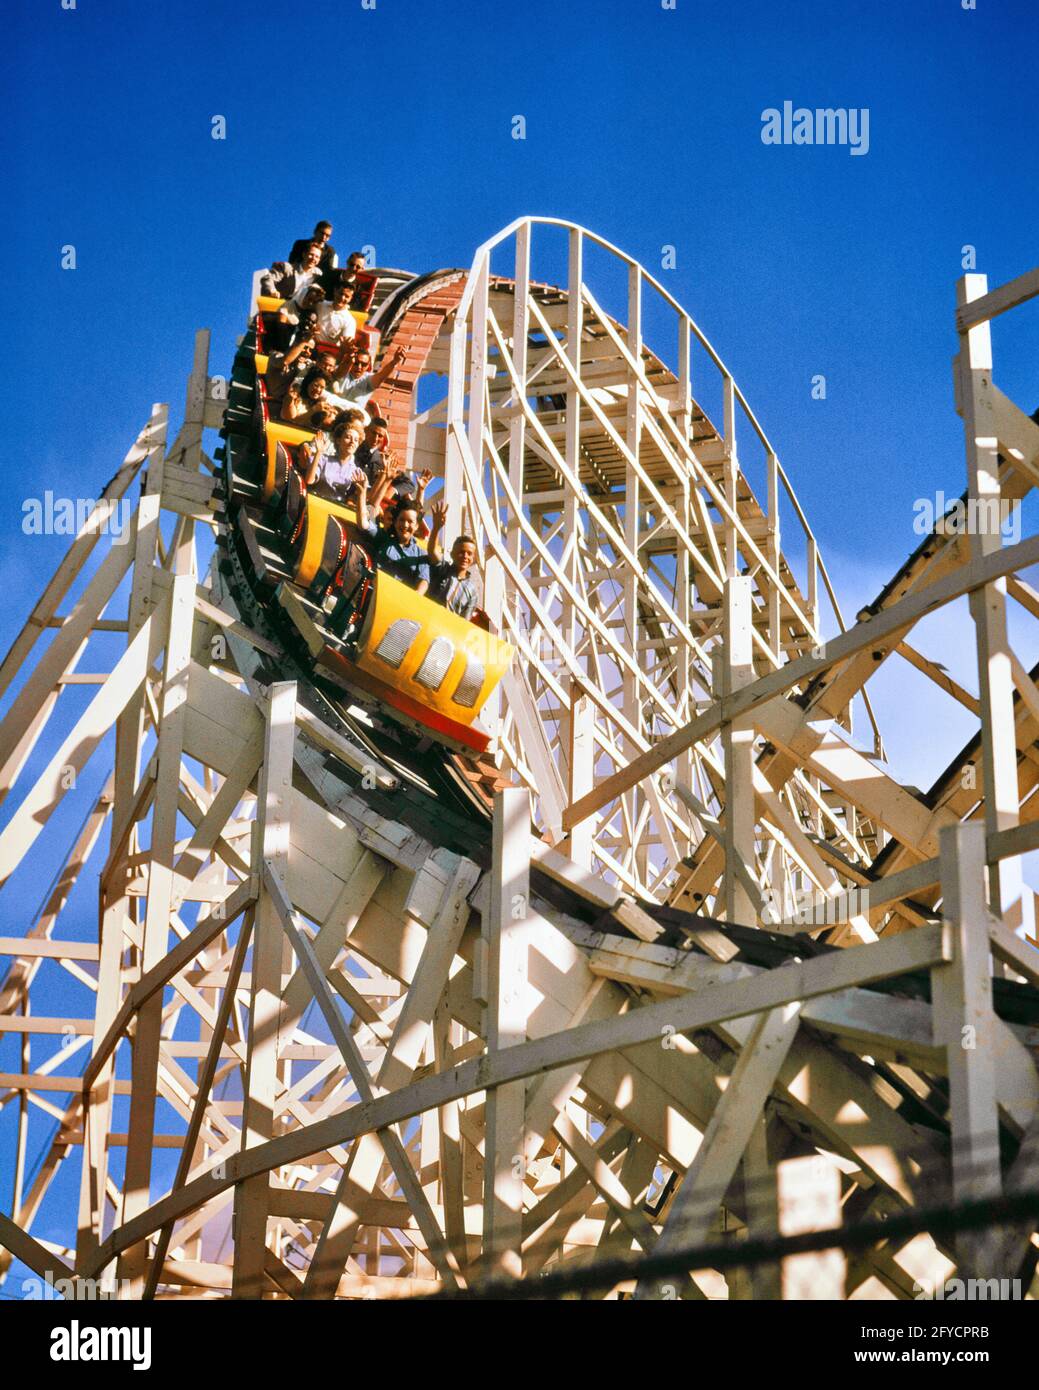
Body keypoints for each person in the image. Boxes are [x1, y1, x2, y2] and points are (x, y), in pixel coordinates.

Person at [357, 487, 430, 595]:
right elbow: (363, 523)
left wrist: (415, 596)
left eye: (410, 522)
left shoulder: (421, 555)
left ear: (417, 526)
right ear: (395, 522)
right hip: (374, 593)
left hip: (397, 601)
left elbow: (424, 581)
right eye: (401, 520)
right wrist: (362, 494)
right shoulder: (383, 538)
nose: (405, 525)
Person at [426, 499, 479, 619]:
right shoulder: (443, 569)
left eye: (469, 554)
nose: (465, 556)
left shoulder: (472, 591)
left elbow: (465, 621)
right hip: (428, 619)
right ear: (452, 554)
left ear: (473, 558)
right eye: (461, 552)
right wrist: (436, 528)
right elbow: (432, 550)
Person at [303, 411, 367, 501]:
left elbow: (355, 499)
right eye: (348, 437)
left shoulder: (357, 472)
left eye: (356, 440)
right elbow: (309, 480)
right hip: (316, 502)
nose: (352, 442)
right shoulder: (323, 459)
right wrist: (318, 453)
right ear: (338, 440)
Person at [334, 343, 406, 408]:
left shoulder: (368, 379)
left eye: (363, 364)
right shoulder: (342, 371)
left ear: (368, 366)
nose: (359, 367)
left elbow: (381, 377)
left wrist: (394, 362)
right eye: (356, 363)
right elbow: (338, 373)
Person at [314, 281, 358, 346]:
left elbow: (347, 343)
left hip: (327, 351)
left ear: (350, 299)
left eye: (347, 296)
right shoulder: (320, 304)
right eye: (341, 293)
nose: (342, 298)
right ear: (335, 291)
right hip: (309, 342)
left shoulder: (350, 321)